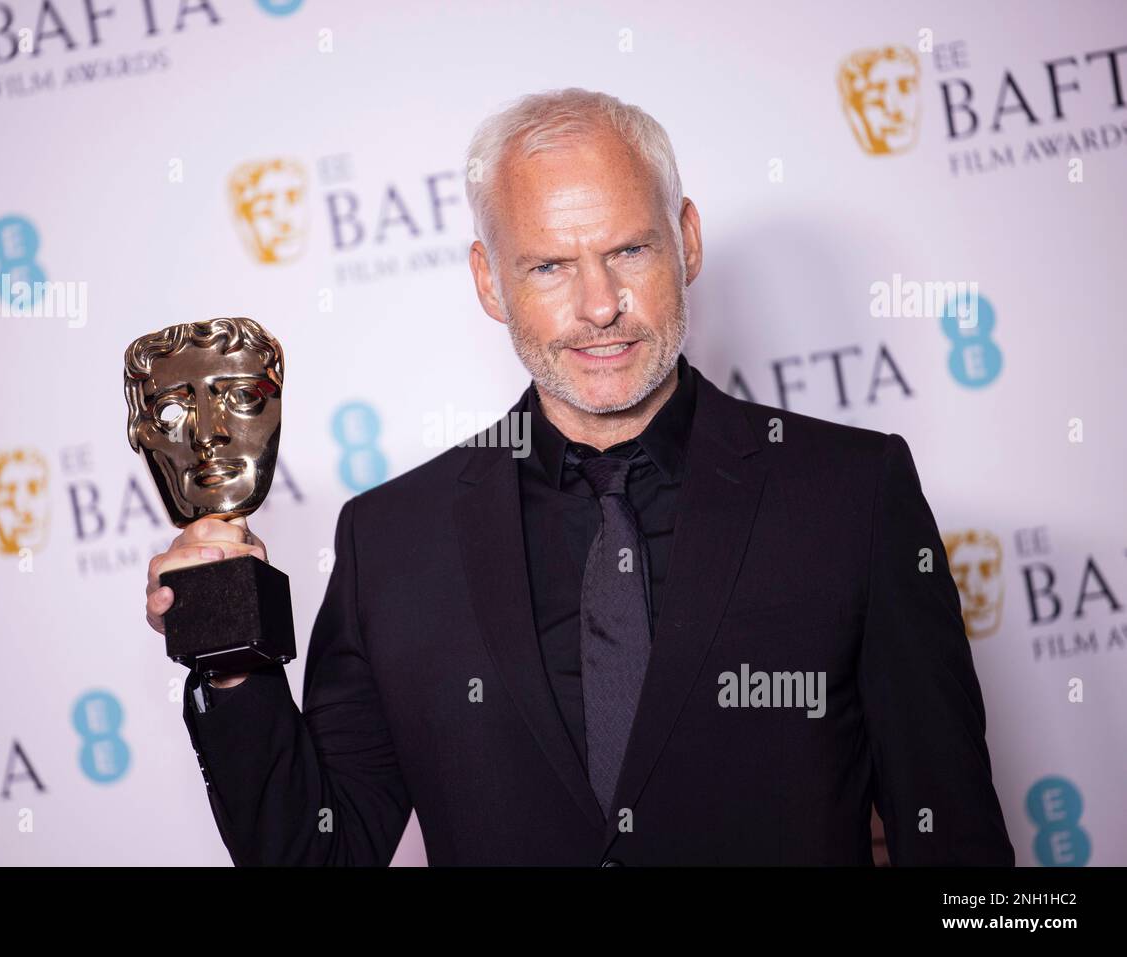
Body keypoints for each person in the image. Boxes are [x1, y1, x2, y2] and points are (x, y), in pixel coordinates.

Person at [143, 87, 1014, 866]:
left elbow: (956, 842)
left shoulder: (851, 493)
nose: (600, 306)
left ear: (688, 240)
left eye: (629, 250)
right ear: (491, 280)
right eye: (550, 266)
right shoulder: (391, 540)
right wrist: (231, 658)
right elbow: (315, 851)